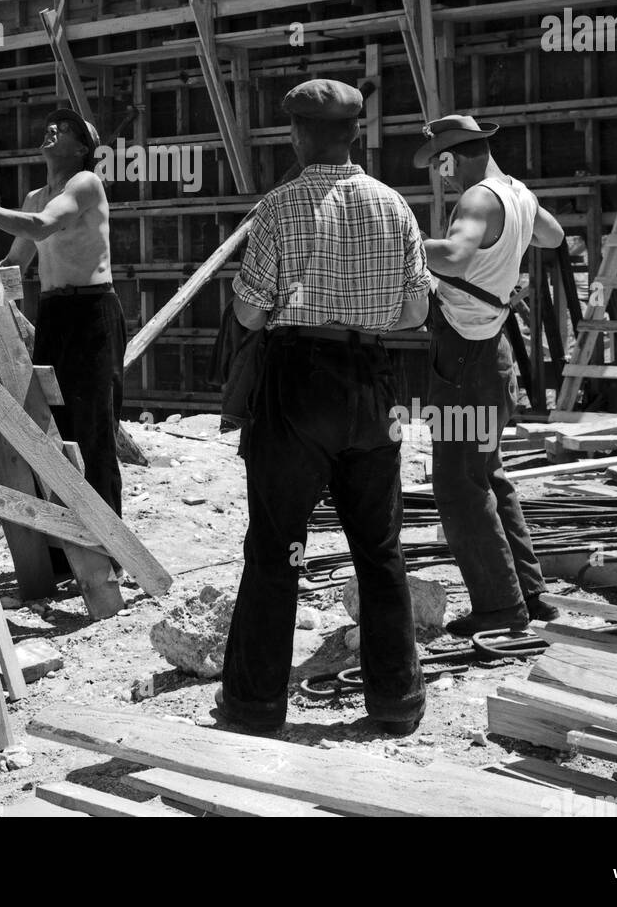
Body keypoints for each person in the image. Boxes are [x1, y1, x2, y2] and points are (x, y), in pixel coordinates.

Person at [219, 79, 429, 736]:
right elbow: (416, 310)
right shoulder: (394, 204)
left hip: (297, 383)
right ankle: (396, 703)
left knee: (277, 548)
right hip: (371, 382)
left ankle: (255, 706)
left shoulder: (279, 207)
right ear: (355, 134)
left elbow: (250, 313)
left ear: (296, 135)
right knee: (379, 548)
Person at [415, 115, 563, 637]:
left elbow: (455, 258)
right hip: (492, 352)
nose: (441, 175)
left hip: (463, 356)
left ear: (452, 156)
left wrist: (401, 241)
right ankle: (530, 593)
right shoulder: (517, 192)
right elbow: (552, 235)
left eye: (440, 164)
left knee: (458, 484)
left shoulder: (478, 199)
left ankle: (500, 607)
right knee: (490, 474)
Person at [0, 108, 125, 519]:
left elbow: (41, 226)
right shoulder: (33, 198)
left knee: (94, 427)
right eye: (53, 124)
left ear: (81, 149)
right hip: (54, 312)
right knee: (53, 424)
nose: (53, 128)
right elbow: (14, 265)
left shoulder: (86, 183)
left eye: (66, 128)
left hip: (92, 312)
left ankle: (107, 536)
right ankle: (64, 537)